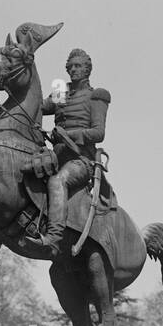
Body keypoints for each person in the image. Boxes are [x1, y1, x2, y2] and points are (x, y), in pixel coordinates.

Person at [38, 48, 110, 257]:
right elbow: (39, 107)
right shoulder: (62, 92)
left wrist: (68, 135)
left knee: (57, 182)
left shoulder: (96, 95)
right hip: (55, 157)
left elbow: (99, 132)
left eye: (78, 66)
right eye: (70, 67)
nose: (73, 70)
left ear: (88, 69)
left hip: (81, 161)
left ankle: (53, 237)